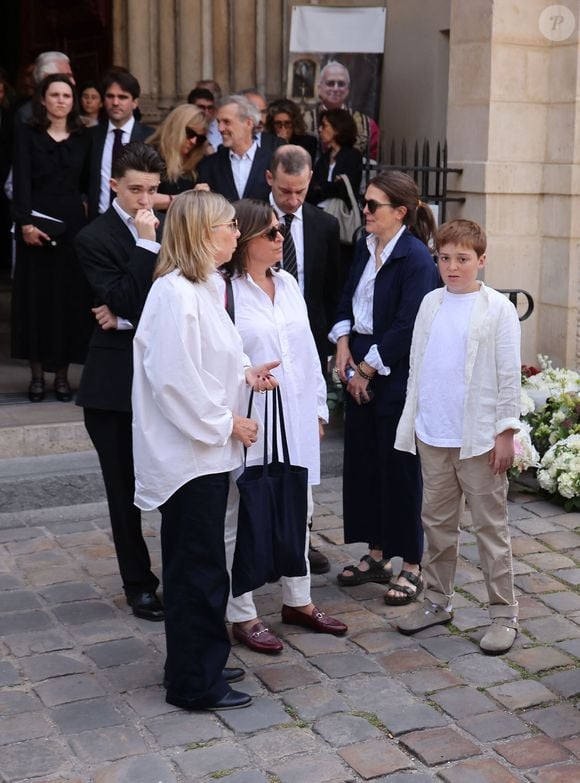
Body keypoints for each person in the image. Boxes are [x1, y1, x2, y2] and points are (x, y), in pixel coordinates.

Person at [131, 189, 279, 711]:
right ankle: (195, 682)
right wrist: (226, 423)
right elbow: (173, 379)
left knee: (204, 564)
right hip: (189, 455)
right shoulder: (173, 292)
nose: (237, 234)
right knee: (197, 569)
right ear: (201, 232)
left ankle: (198, 658)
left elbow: (215, 356)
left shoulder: (205, 286)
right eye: (229, 226)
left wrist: (246, 374)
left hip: (207, 452)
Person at [220, 199, 347, 653]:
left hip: (294, 415)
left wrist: (317, 409)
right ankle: (242, 611)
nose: (281, 239)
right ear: (247, 239)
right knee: (244, 511)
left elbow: (308, 350)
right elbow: (217, 359)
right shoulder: (225, 290)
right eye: (272, 233)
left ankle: (299, 600)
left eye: (281, 232)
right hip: (251, 417)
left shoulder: (289, 283)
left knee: (301, 507)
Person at [395, 219, 521, 655]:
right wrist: (414, 422)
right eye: (445, 258)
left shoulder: (497, 310)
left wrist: (506, 432)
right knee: (437, 524)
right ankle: (436, 601)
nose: (452, 267)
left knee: (490, 528)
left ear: (481, 261)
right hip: (434, 433)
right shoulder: (430, 303)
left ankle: (503, 614)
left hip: (479, 439)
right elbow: (418, 366)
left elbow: (508, 376)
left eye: (463, 259)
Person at [331, 171, 439, 605]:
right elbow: (345, 302)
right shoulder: (365, 246)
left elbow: (407, 325)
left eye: (374, 205)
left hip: (393, 375)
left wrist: (366, 371)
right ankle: (377, 555)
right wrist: (341, 346)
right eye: (365, 202)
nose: (366, 211)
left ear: (401, 212)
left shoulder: (415, 259)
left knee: (399, 470)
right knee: (365, 464)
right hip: (357, 361)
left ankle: (411, 563)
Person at [75, 142, 165, 621]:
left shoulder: (170, 227)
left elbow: (180, 297)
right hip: (112, 386)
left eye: (152, 190)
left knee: (175, 482)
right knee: (124, 491)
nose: (145, 200)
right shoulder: (95, 237)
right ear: (114, 184)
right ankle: (139, 586)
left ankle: (186, 572)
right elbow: (129, 299)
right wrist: (147, 247)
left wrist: (129, 315)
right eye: (135, 190)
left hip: (165, 380)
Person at [266, 145, 341, 575]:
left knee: (306, 449)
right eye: (285, 191)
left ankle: (303, 538)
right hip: (264, 347)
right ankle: (267, 535)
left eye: (300, 191)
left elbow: (330, 288)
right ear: (270, 180)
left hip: (308, 344)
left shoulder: (324, 224)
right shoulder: (255, 222)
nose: (293, 200)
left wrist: (330, 345)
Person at [11, 74, 92, 402]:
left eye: (66, 95)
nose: (61, 100)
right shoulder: (27, 134)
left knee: (66, 302)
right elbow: (21, 183)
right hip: (35, 229)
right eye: (54, 95)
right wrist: (26, 224)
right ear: (43, 100)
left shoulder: (84, 137)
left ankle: (61, 377)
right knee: (36, 301)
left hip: (72, 229)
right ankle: (36, 378)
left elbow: (89, 184)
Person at [87, 70, 153, 220]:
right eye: (110, 96)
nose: (115, 102)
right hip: (97, 220)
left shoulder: (150, 137)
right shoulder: (91, 136)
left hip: (137, 221)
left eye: (122, 97)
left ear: (135, 103)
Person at [196, 95, 272, 202]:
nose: (220, 128)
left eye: (226, 122)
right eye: (218, 122)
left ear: (248, 123)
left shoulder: (272, 162)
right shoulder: (208, 165)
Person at [302, 61, 379, 159]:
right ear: (319, 88)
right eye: (330, 83)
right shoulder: (302, 121)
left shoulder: (367, 125)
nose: (335, 88)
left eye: (341, 84)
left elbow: (373, 164)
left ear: (347, 89)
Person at [146, 104, 210, 209]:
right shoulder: (150, 155)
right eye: (190, 133)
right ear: (176, 127)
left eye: (200, 138)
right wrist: (184, 199)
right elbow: (141, 198)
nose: (194, 141)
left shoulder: (199, 161)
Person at [307, 109, 362, 210]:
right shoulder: (324, 158)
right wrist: (330, 186)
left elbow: (345, 189)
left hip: (340, 213)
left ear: (338, 128)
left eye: (324, 125)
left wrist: (321, 187)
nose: (320, 129)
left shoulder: (352, 155)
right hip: (318, 210)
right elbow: (311, 189)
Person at [239, 88, 283, 154]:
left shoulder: (278, 146)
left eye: (263, 112)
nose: (260, 119)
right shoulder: (227, 145)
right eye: (254, 112)